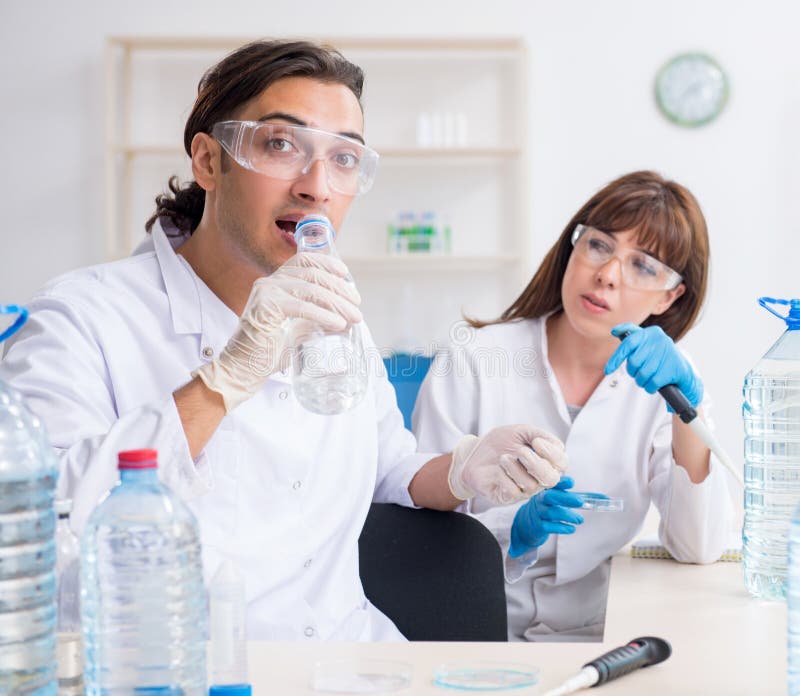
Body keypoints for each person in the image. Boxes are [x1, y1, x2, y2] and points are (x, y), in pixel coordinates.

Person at [0, 40, 570, 642]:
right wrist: (226, 380)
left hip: (353, 661)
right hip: (178, 671)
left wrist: (462, 470)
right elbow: (36, 523)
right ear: (208, 161)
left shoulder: (336, 313)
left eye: (345, 157)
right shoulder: (82, 317)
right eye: (281, 144)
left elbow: (388, 467)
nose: (317, 186)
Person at [412, 170, 734, 642]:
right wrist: (507, 532)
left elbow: (698, 545)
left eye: (642, 265)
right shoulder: (475, 359)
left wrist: (689, 406)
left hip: (601, 637)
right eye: (599, 245)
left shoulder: (672, 383)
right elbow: (414, 523)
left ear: (671, 296)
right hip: (471, 629)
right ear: (573, 247)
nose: (607, 274)